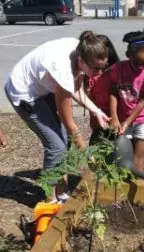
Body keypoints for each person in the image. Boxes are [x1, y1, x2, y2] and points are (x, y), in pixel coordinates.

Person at [4, 31, 109, 202]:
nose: (99, 73)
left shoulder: (84, 48)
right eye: (95, 68)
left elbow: (75, 88)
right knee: (56, 146)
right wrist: (86, 152)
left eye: (102, 67)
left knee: (64, 141)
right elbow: (68, 122)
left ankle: (62, 190)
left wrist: (96, 111)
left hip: (43, 87)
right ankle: (50, 199)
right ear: (82, 61)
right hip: (23, 93)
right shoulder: (63, 70)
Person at [109, 30, 144, 173]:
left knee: (138, 158)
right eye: (137, 63)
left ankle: (137, 188)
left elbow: (142, 102)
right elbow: (113, 93)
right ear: (128, 55)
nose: (141, 67)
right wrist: (115, 118)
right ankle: (123, 185)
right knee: (123, 157)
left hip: (143, 120)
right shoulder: (117, 69)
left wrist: (127, 122)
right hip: (122, 118)